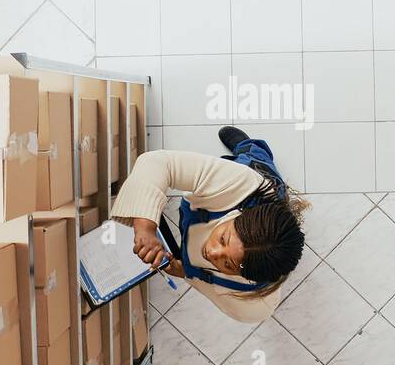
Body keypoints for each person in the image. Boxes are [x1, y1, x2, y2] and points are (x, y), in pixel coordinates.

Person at [110, 126, 307, 322]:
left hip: (206, 223)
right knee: (258, 164)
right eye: (223, 239)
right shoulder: (240, 182)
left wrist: (184, 272)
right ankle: (249, 147)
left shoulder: (253, 307)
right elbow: (157, 162)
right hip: (257, 184)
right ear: (240, 215)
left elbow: (211, 287)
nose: (211, 252)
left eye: (227, 264)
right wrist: (145, 227)